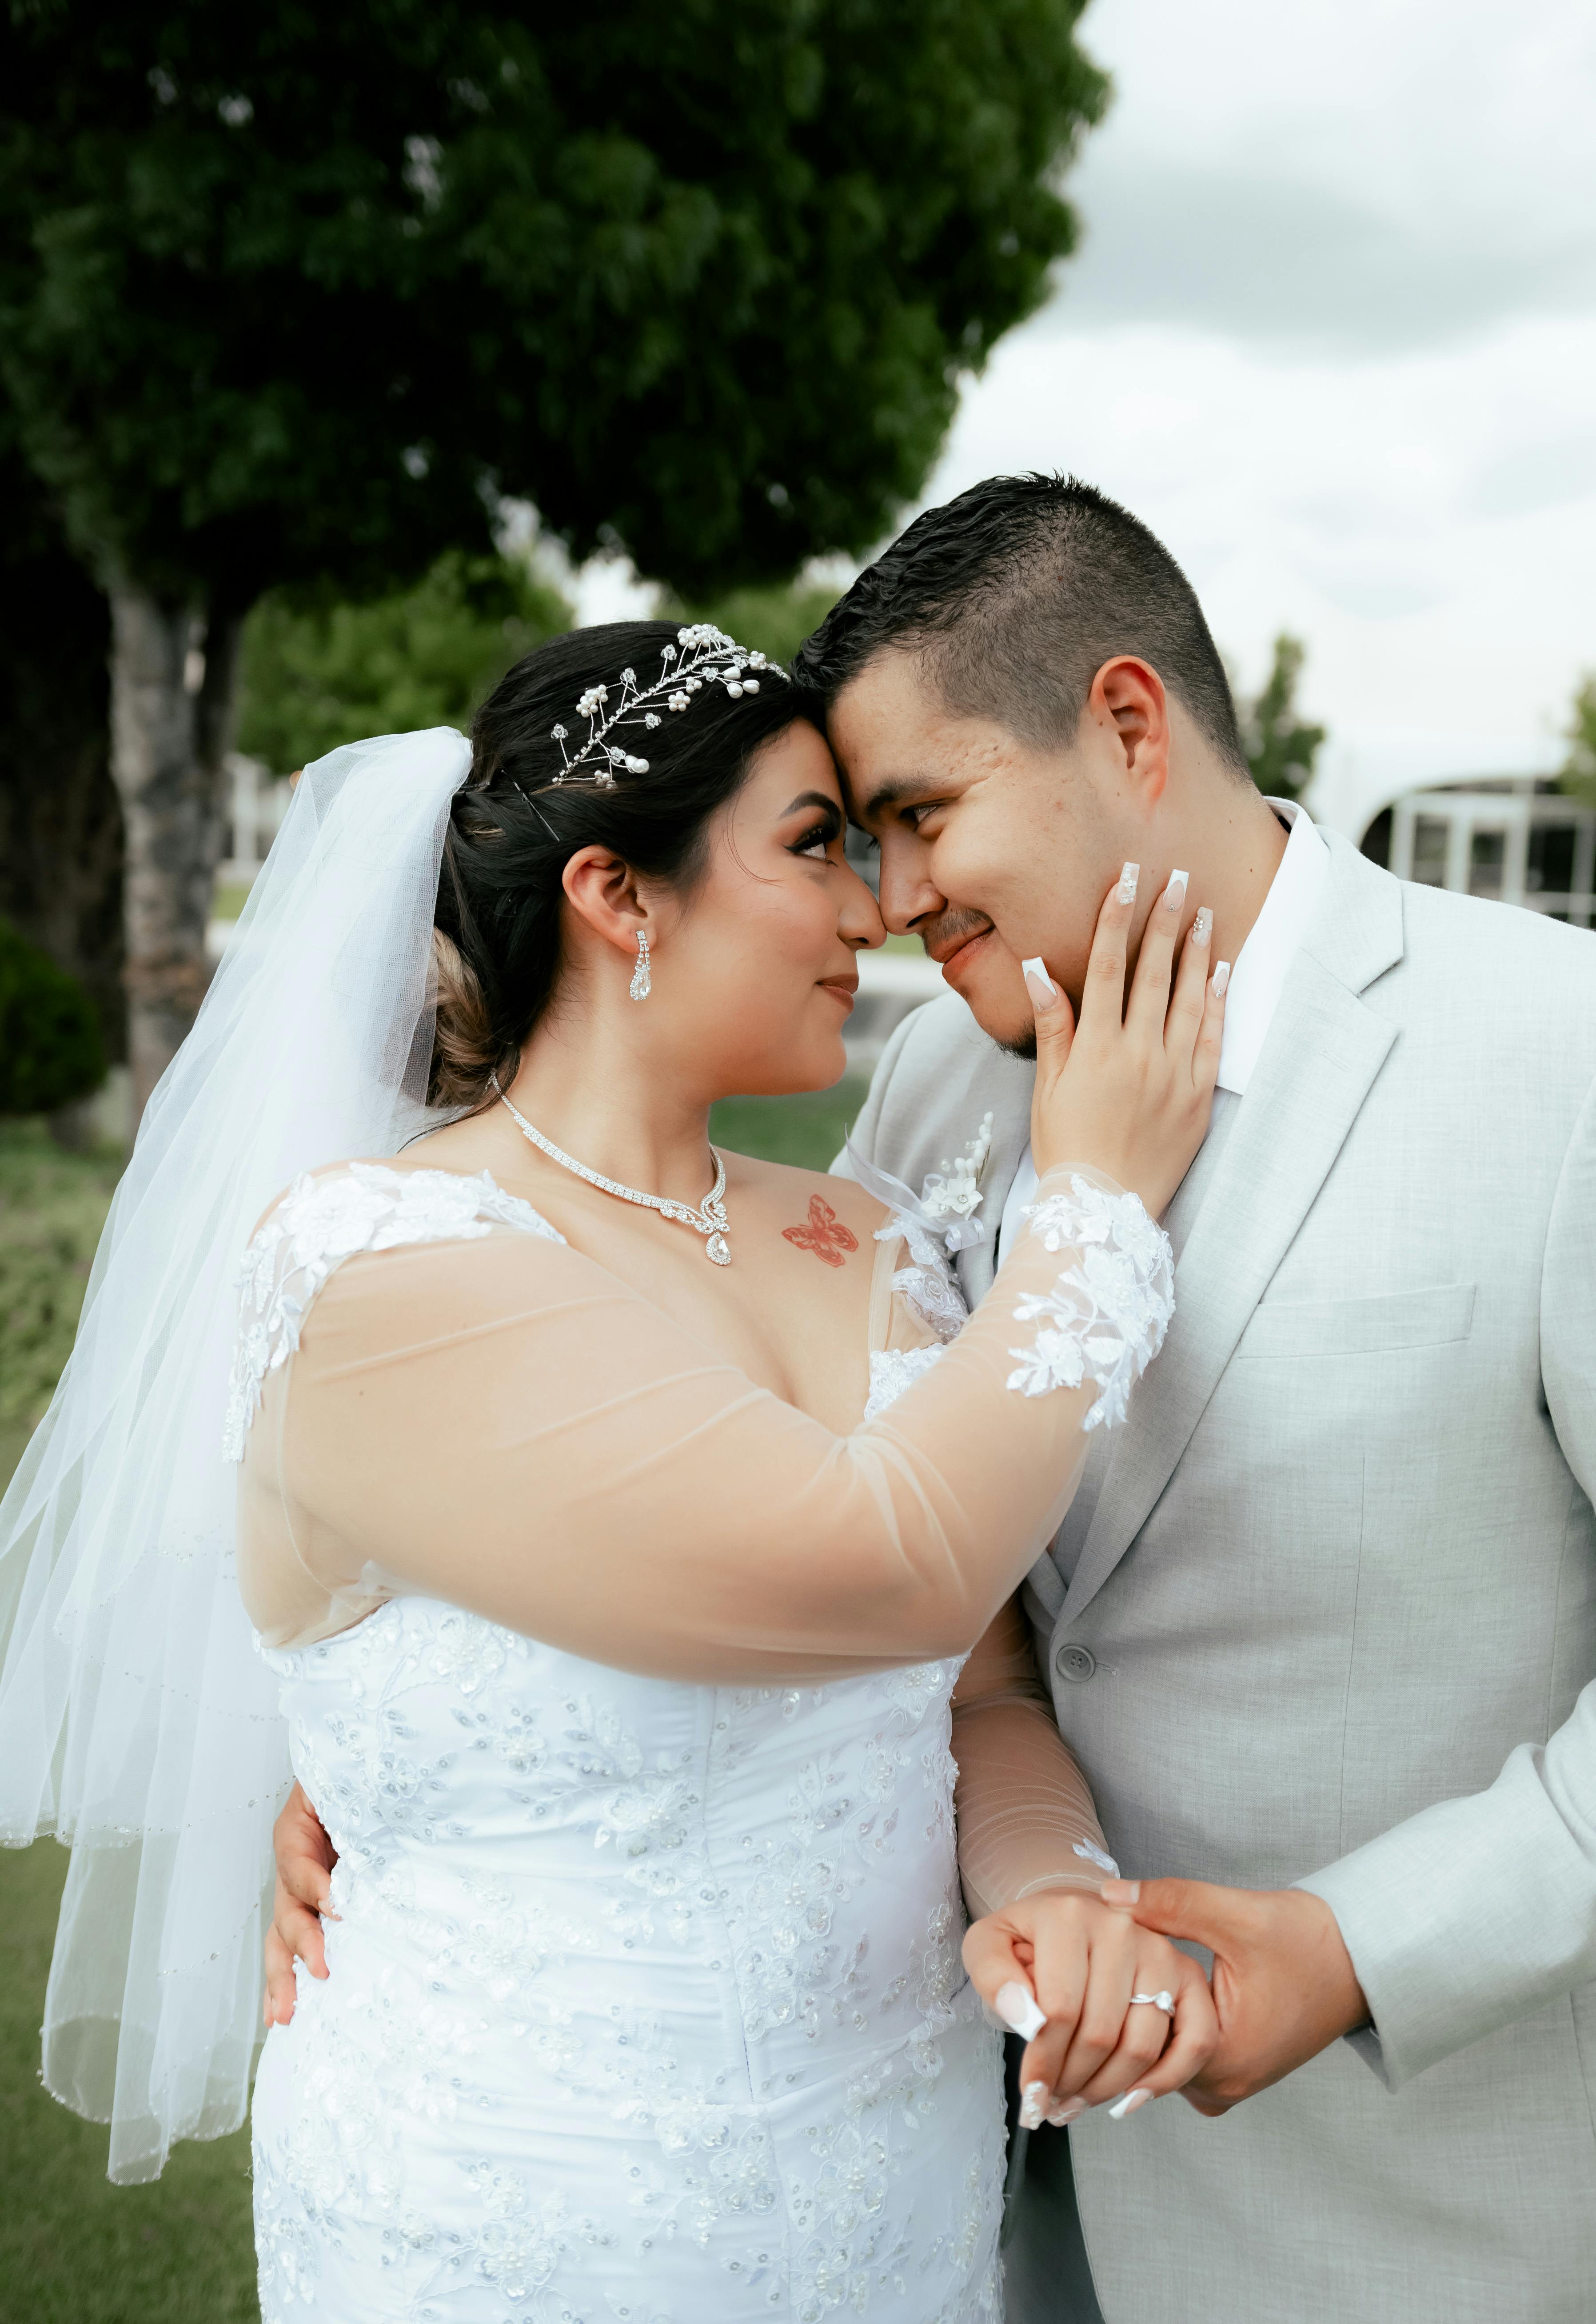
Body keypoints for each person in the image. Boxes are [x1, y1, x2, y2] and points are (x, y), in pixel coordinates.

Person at [0, 617, 1229, 2322]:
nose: (876, 911)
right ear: (618, 896)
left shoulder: (873, 1240)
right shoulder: (383, 1274)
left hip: (893, 2194)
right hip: (523, 2209)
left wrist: (1055, 1892)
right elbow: (885, 1563)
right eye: (815, 847)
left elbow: (978, 1684)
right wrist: (1096, 1218)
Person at [788, 474, 1596, 2324]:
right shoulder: (927, 1085)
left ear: (1129, 727)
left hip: (1425, 2214)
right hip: (972, 2178)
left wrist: (1360, 1953)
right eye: (861, 838)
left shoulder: (1556, 1062)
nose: (893, 900)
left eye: (922, 814)